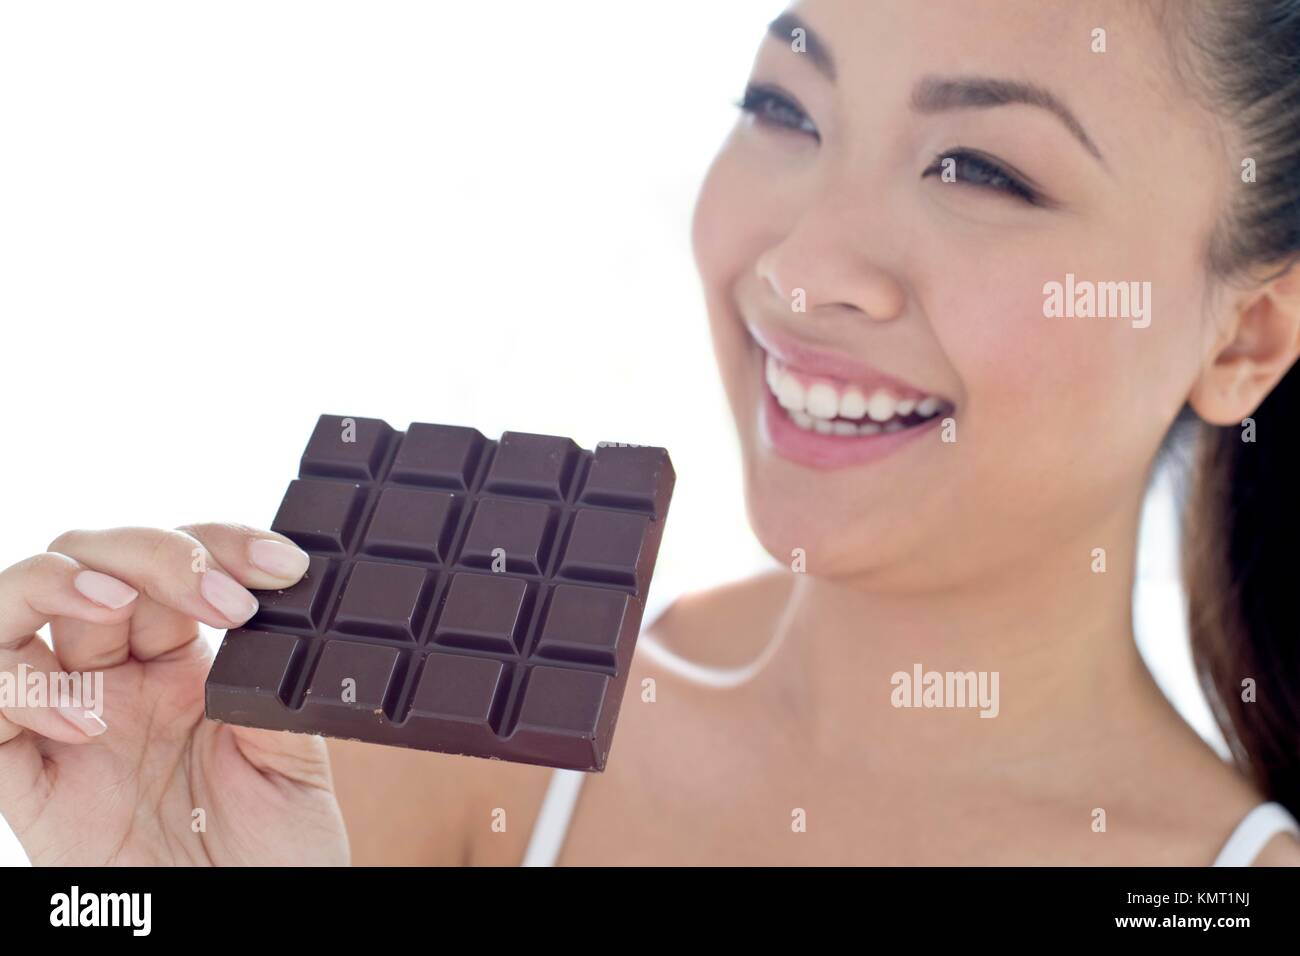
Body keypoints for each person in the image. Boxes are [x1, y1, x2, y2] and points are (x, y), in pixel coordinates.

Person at [3, 0, 1299, 866]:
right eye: (787, 107)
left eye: (983, 171)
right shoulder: (427, 737)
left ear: (1242, 338)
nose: (800, 265)